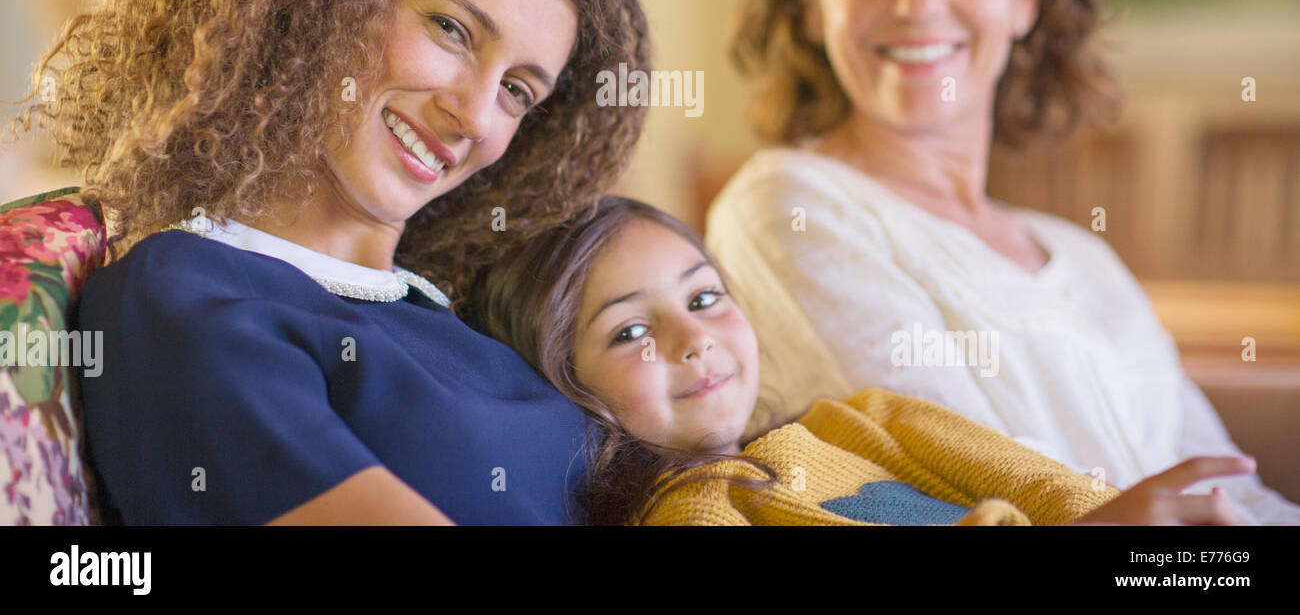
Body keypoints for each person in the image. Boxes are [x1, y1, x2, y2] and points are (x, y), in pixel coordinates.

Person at [12, 0, 651, 524]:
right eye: (451, 29)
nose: (474, 115)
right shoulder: (188, 294)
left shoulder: (475, 310)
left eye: (517, 91)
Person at [705, 0, 1300, 524]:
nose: (917, 0)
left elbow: (1232, 493)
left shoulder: (1084, 262)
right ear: (809, 3)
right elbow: (967, 482)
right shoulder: (789, 207)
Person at [472, 195, 1254, 526]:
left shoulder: (867, 421)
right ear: (563, 386)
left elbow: (1052, 489)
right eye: (629, 332)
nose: (694, 338)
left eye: (704, 298)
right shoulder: (691, 509)